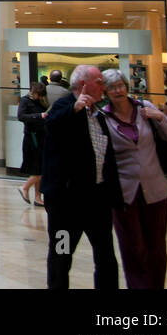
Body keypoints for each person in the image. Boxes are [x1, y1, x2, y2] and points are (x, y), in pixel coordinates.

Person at [98, 69, 167, 289]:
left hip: (154, 189)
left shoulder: (145, 109)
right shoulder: (103, 118)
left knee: (156, 247)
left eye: (120, 85)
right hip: (124, 194)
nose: (117, 90)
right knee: (132, 248)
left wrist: (160, 117)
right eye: (111, 87)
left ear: (127, 87)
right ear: (105, 91)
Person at [41, 64, 121, 290]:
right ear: (83, 84)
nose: (103, 86)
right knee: (62, 253)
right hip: (66, 203)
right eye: (99, 82)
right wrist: (74, 109)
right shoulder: (64, 106)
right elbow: (52, 125)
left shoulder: (100, 113)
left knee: (105, 254)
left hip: (96, 200)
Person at [18, 81, 49, 206]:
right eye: (39, 95)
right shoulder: (25, 101)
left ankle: (38, 196)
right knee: (40, 170)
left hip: (42, 137)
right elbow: (21, 116)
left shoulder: (40, 102)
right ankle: (25, 187)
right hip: (32, 138)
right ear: (34, 92)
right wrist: (39, 116)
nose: (41, 97)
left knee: (39, 169)